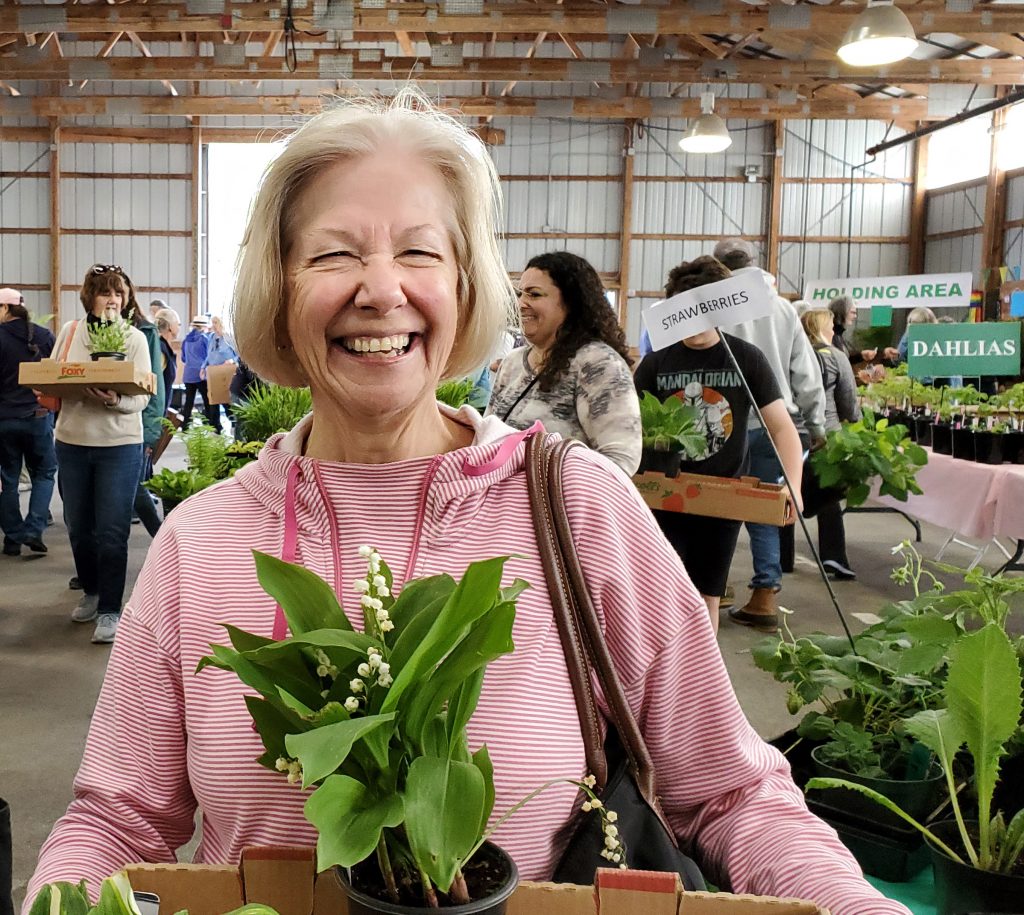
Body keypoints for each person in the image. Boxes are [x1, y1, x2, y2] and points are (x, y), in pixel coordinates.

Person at [25, 93, 909, 915]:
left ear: (464, 284)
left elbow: (730, 792)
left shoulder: (576, 506)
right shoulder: (203, 541)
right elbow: (116, 821)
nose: (381, 288)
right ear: (281, 289)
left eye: (419, 250)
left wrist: (848, 901)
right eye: (334, 252)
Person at [633, 255, 804, 632]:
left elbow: (782, 428)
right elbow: (629, 428)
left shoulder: (745, 359)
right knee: (661, 590)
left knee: (706, 594)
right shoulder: (655, 363)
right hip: (665, 496)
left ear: (720, 307)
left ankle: (700, 681)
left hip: (722, 498)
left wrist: (793, 483)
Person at [711, 238, 825, 625]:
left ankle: (715, 586)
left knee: (714, 505)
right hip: (776, 424)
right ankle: (764, 596)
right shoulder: (782, 308)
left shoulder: (713, 306)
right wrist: (816, 422)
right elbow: (804, 371)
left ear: (719, 267)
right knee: (763, 509)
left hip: (723, 421)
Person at [52, 265, 150, 644]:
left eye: (119, 294)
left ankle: (111, 608)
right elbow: (55, 375)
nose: (113, 300)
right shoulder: (71, 332)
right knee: (78, 526)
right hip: (72, 441)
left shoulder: (135, 338)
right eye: (105, 292)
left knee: (112, 531)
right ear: (90, 297)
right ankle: (91, 591)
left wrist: (116, 400)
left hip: (119, 446)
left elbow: (142, 395)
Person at [486, 251, 641, 475]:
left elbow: (621, 460)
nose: (521, 303)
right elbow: (488, 437)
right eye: (521, 294)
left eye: (534, 294)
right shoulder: (512, 363)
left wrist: (550, 484)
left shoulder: (598, 364)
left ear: (570, 303)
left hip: (560, 507)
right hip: (502, 506)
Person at [802, 308, 861, 580]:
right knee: (829, 496)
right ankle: (834, 556)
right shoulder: (837, 357)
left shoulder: (795, 354)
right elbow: (849, 402)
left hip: (794, 434)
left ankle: (780, 558)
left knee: (786, 494)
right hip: (828, 436)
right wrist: (854, 422)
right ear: (825, 329)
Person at [0, 287, 56, 557]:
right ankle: (33, 528)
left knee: (8, 478)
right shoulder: (44, 336)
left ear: (5, 309)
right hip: (38, 417)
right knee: (44, 473)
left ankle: (12, 538)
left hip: (4, 420)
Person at [121, 275, 166, 538]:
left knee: (134, 486)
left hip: (135, 425)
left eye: (119, 292)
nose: (113, 299)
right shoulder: (90, 330)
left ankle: (161, 536)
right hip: (99, 429)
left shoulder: (145, 332)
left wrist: (151, 431)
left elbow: (154, 385)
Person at [199, 315, 238, 433]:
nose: (214, 326)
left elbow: (239, 354)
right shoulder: (211, 337)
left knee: (226, 400)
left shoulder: (229, 337)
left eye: (216, 323)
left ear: (222, 323)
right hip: (213, 372)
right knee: (213, 400)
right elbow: (208, 355)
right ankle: (215, 426)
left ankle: (234, 423)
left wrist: (232, 361)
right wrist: (203, 367)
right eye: (213, 323)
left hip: (226, 373)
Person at [180, 314, 216, 429]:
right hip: (202, 375)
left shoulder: (186, 340)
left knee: (189, 401)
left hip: (188, 374)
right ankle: (210, 423)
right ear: (204, 327)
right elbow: (209, 356)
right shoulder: (204, 339)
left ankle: (185, 425)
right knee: (207, 399)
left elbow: (183, 358)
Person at [829, 294, 877, 366]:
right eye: (852, 312)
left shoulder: (838, 334)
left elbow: (844, 359)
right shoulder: (831, 335)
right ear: (841, 312)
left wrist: (861, 356)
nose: (855, 316)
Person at [154, 308, 181, 412]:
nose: (179, 327)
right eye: (178, 324)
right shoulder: (160, 349)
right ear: (170, 327)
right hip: (155, 410)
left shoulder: (162, 346)